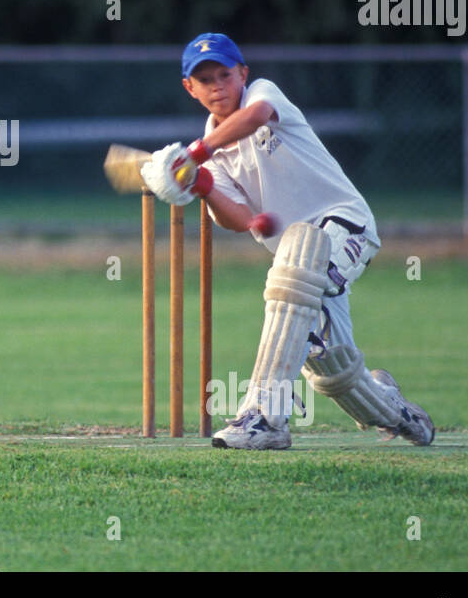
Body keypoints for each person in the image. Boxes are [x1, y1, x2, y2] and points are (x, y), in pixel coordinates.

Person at [140, 32, 433, 450]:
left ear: (243, 73)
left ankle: (264, 417)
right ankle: (398, 412)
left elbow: (257, 116)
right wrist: (199, 182)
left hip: (345, 224)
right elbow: (239, 219)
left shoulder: (261, 95)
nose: (218, 86)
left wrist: (197, 152)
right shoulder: (214, 156)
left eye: (225, 74)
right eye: (206, 81)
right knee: (332, 370)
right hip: (296, 261)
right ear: (191, 88)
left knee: (296, 271)